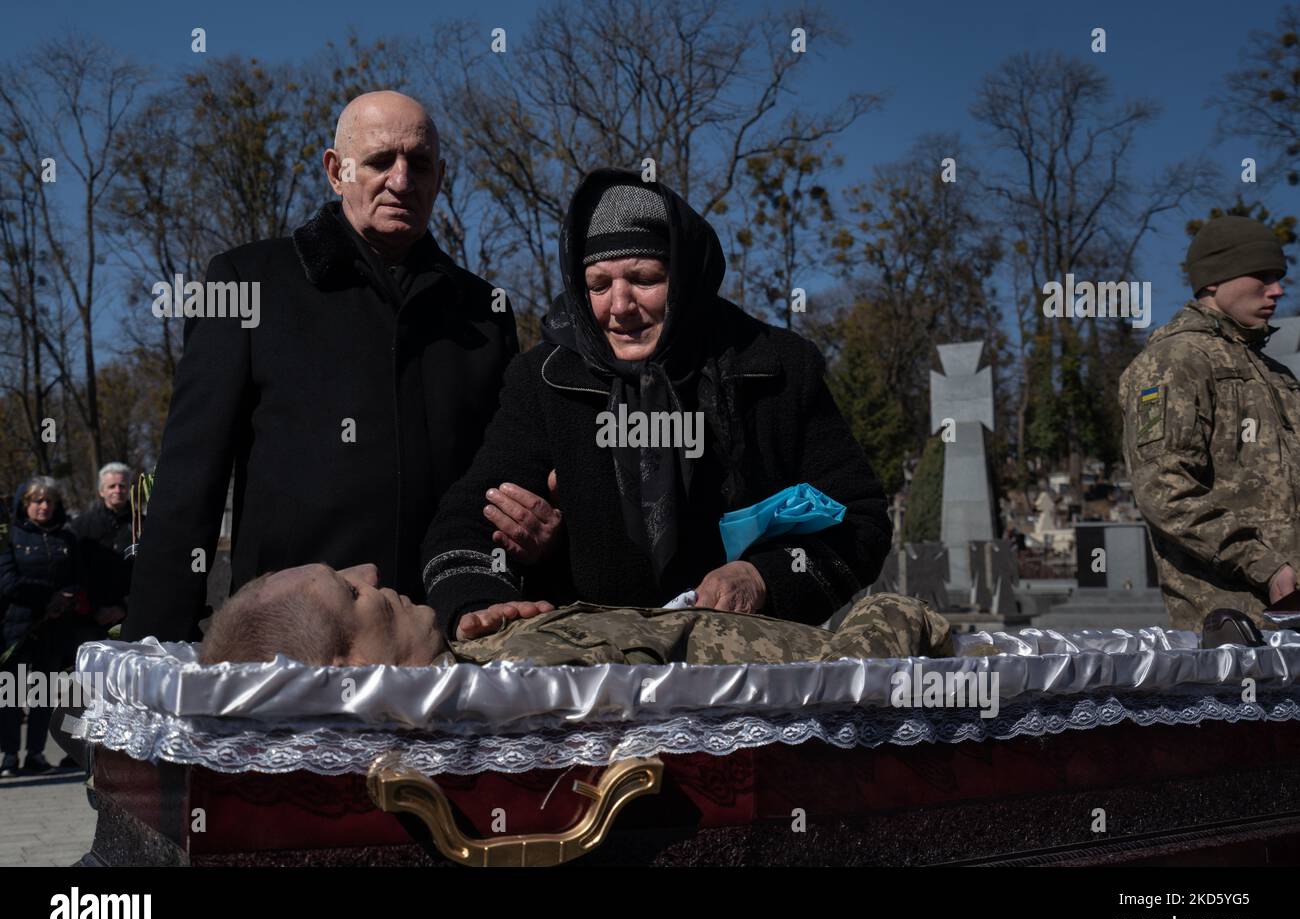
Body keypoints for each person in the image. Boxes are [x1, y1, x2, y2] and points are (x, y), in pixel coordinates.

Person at [123, 90, 556, 644]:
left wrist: (538, 546)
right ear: (336, 170)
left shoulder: (483, 313)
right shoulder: (246, 282)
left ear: (440, 177)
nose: (402, 181)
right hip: (290, 648)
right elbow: (190, 481)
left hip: (441, 642)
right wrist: (153, 644)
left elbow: (497, 487)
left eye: (419, 164)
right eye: (380, 161)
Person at [420, 168, 893, 642]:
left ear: (687, 278)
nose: (619, 306)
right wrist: (484, 598)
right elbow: (467, 521)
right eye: (598, 285)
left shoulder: (779, 369)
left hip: (745, 668)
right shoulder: (545, 380)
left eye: (644, 279)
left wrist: (765, 576)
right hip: (594, 673)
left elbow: (860, 519)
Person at [196, 562, 950, 667]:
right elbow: (855, 671)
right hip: (855, 659)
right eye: (351, 594)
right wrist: (894, 608)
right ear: (345, 674)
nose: (371, 573)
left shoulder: (475, 660)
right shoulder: (520, 690)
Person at [1120, 215, 1295, 630]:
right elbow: (1164, 490)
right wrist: (1266, 566)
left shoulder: (1276, 374)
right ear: (1215, 280)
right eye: (1262, 276)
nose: (1278, 289)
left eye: (1280, 276)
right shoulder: (1173, 363)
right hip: (1232, 626)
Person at [0, 478, 89, 776]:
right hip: (18, 628)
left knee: (42, 694)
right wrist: (48, 596)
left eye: (49, 501)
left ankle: (36, 754)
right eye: (37, 501)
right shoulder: (10, 537)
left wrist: (66, 598)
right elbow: (7, 583)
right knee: (11, 695)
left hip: (54, 630)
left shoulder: (67, 539)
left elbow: (78, 579)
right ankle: (9, 756)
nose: (43, 506)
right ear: (25, 505)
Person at [70, 462, 134, 632]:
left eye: (122, 485)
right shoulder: (80, 526)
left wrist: (124, 607)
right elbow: (74, 571)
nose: (117, 490)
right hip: (89, 617)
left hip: (132, 615)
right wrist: (94, 607)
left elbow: (149, 572)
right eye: (111, 486)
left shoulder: (143, 525)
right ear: (101, 491)